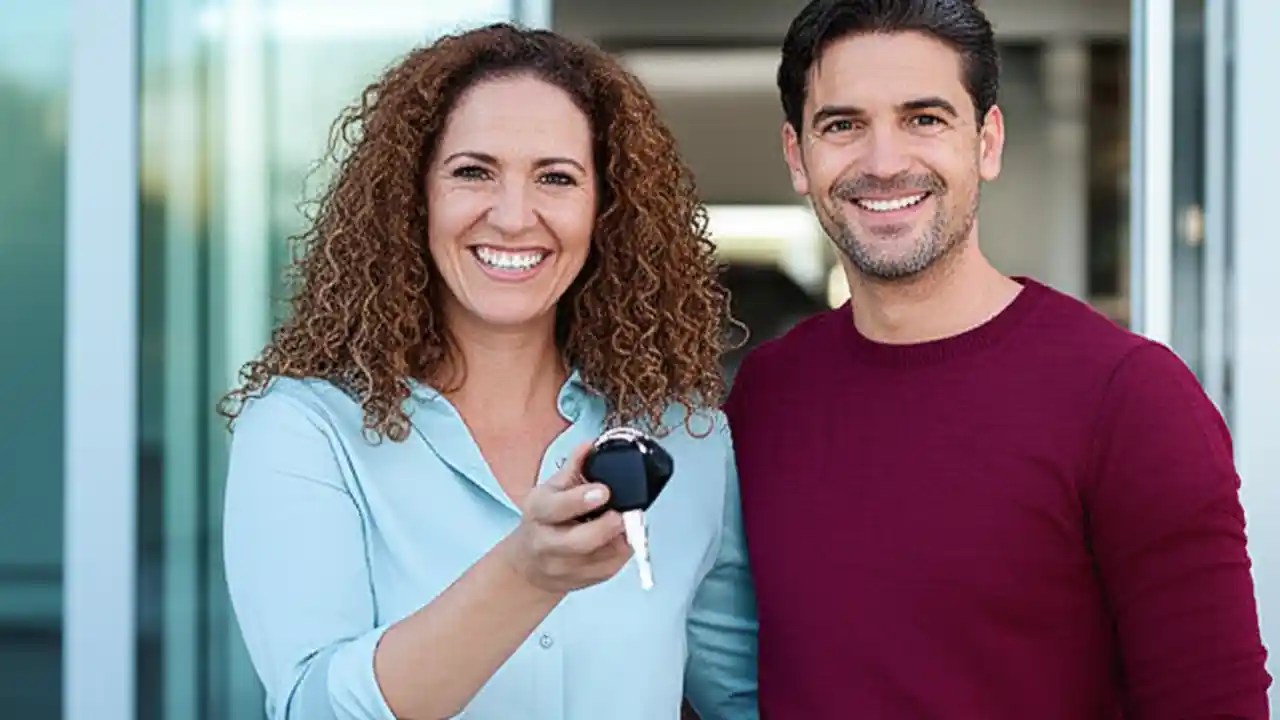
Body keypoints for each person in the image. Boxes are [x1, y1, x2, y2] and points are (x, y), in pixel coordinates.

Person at [724, 0, 1271, 718]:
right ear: (798, 156)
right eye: (843, 125)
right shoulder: (768, 394)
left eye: (925, 118)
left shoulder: (1128, 398)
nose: (884, 163)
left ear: (987, 143)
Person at [218, 23, 757, 720]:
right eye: (473, 172)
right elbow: (312, 707)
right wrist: (524, 574)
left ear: (606, 209)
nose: (512, 217)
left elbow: (744, 698)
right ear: (414, 195)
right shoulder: (305, 431)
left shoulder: (684, 437)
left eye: (556, 178)